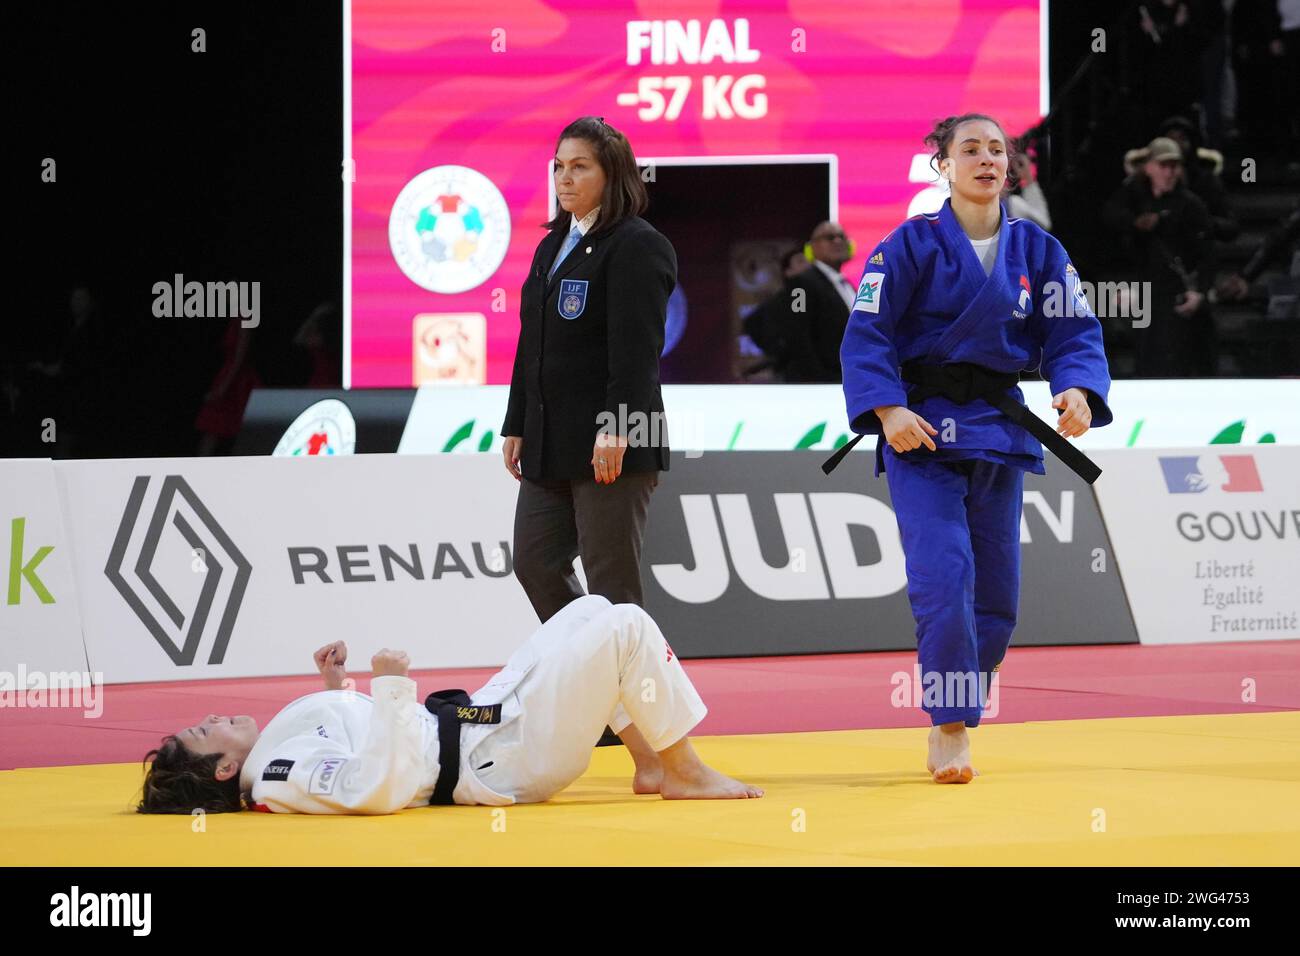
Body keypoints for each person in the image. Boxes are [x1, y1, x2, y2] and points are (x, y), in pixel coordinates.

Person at [832, 114, 1113, 783]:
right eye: (971, 150)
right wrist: (887, 405)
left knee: (998, 597)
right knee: (944, 576)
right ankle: (949, 724)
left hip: (997, 431)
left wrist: (1077, 388)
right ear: (944, 166)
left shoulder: (1038, 251)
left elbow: (1073, 331)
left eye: (997, 150)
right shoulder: (907, 245)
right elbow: (867, 334)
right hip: (921, 433)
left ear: (1009, 166)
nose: (987, 160)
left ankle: (961, 696)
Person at [137, 595, 764, 814]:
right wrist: (388, 685)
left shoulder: (279, 756)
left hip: (475, 725)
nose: (215, 717)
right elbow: (374, 789)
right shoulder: (274, 773)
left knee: (592, 611)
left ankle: (650, 762)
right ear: (222, 769)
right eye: (205, 731)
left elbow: (352, 747)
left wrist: (337, 690)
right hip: (498, 762)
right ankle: (684, 771)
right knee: (625, 626)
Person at [502, 117, 675, 627]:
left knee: (612, 582)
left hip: (614, 441)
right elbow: (529, 343)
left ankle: (632, 699)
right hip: (549, 439)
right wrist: (517, 423)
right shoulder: (551, 244)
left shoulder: (637, 244)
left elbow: (637, 352)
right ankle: (591, 660)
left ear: (612, 174)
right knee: (534, 562)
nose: (565, 178)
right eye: (559, 166)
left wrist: (617, 426)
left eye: (580, 167)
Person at [1102, 136, 1217, 376]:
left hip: (1177, 298)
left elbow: (1208, 253)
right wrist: (1136, 223)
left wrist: (1201, 292)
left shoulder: (1190, 205)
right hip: (1144, 296)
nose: (1170, 172)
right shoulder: (1132, 199)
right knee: (1147, 362)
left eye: (1174, 166)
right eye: (1163, 165)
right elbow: (1109, 223)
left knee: (1180, 362)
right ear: (1149, 167)